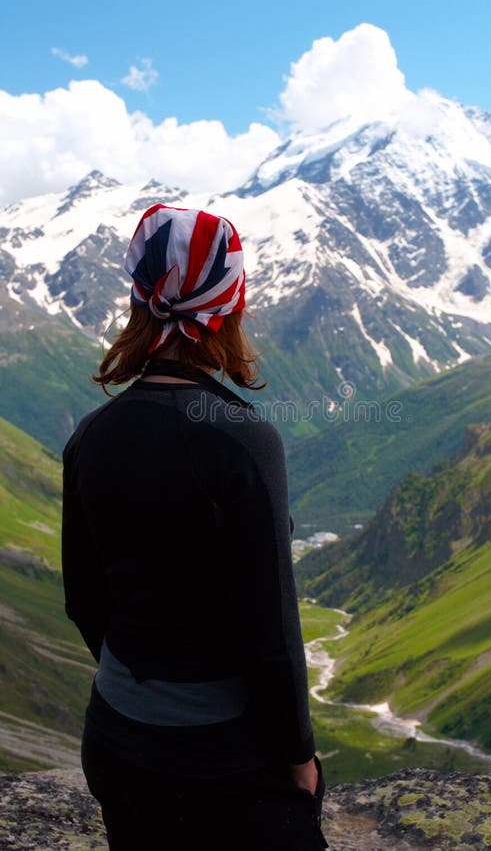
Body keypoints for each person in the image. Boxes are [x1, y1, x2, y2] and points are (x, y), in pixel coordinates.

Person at [61, 203, 328, 850]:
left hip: (115, 738)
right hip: (219, 755)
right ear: (230, 308)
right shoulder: (244, 440)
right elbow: (271, 630)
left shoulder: (92, 434)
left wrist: (142, 690)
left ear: (140, 302)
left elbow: (83, 599)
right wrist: (299, 757)